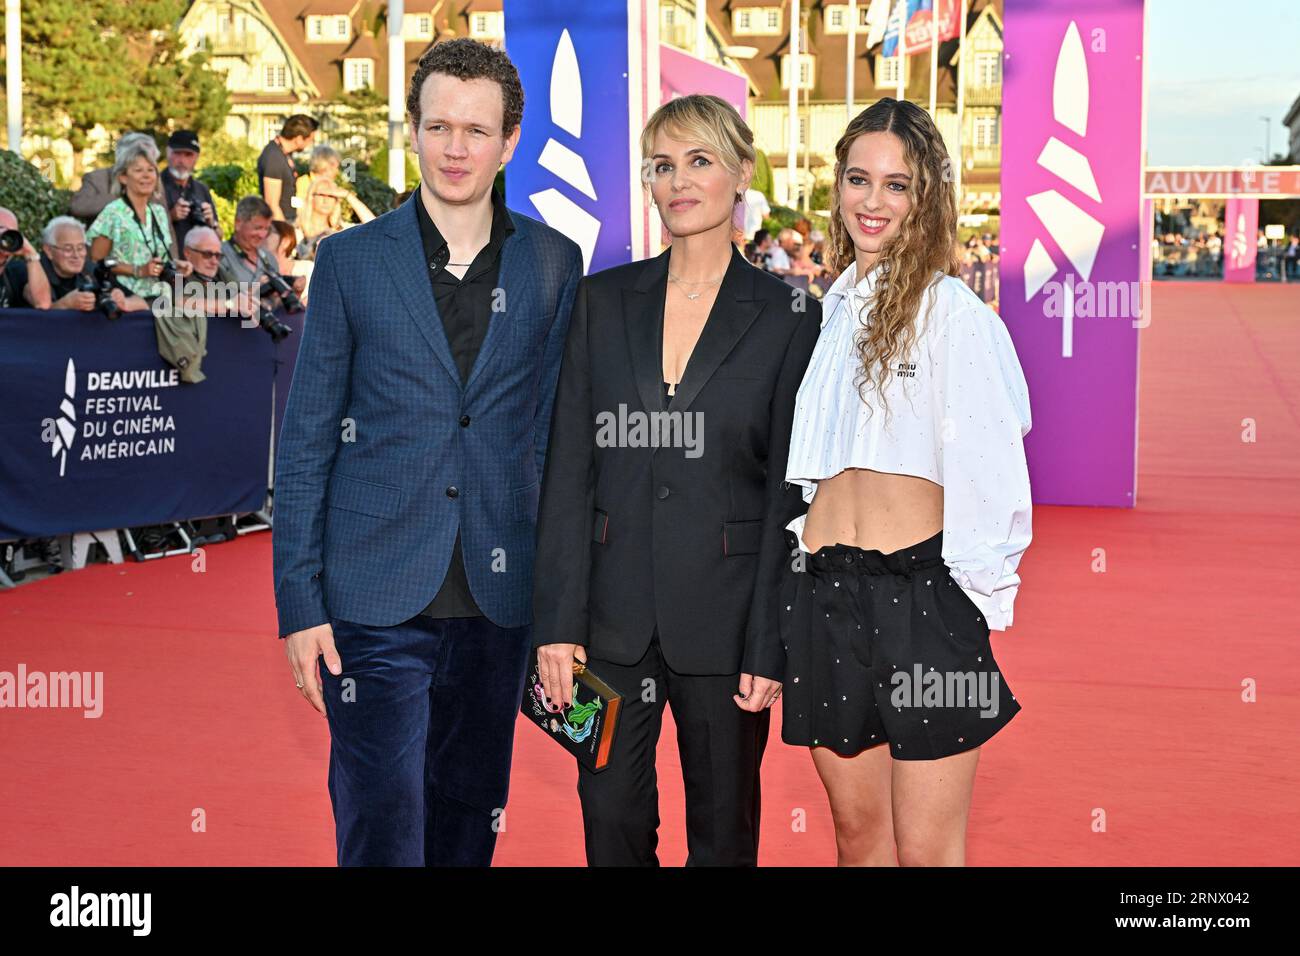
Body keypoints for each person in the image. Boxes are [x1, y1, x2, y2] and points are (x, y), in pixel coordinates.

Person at [273, 37, 583, 867]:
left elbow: (553, 444)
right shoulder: (349, 261)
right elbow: (306, 437)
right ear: (411, 131)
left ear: (509, 142)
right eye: (439, 126)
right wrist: (300, 605)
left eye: (476, 131)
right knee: (381, 821)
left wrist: (561, 607)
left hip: (498, 600)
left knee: (467, 814)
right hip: (372, 598)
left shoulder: (554, 263)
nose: (456, 148)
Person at [532, 93, 821, 866]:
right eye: (662, 165)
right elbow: (567, 467)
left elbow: (792, 492)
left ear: (740, 174)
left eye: (699, 161)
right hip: (607, 621)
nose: (679, 181)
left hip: (728, 625)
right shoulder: (599, 301)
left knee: (725, 836)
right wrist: (557, 623)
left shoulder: (791, 314)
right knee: (611, 826)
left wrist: (771, 641)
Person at [778, 98, 1031, 866]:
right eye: (859, 180)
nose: (873, 201)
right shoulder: (826, 316)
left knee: (926, 851)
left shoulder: (955, 316)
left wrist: (974, 603)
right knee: (857, 842)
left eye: (897, 184)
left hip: (924, 602)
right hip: (822, 596)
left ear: (927, 196)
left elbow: (993, 468)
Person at [86, 137, 193, 301]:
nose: (146, 176)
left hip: (161, 300)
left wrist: (177, 265)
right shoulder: (113, 213)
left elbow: (157, 258)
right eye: (138, 170)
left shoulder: (159, 213)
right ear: (123, 177)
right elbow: (97, 261)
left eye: (151, 170)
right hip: (126, 301)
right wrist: (138, 270)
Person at [30, 216, 147, 313]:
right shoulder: (35, 270)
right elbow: (38, 315)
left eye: (81, 248)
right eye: (68, 249)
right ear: (49, 251)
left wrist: (124, 303)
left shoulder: (90, 270)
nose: (76, 255)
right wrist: (65, 304)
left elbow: (142, 303)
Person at [219, 196, 306, 307]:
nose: (262, 235)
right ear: (238, 223)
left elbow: (277, 307)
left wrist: (295, 291)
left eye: (266, 229)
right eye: (258, 228)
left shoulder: (268, 258)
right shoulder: (218, 255)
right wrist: (256, 289)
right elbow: (217, 302)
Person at [160, 130, 218, 252]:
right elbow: (140, 232)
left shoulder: (201, 189)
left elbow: (218, 237)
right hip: (170, 266)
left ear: (197, 157)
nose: (182, 161)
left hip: (198, 266)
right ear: (168, 153)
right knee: (178, 272)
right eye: (177, 154)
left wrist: (211, 223)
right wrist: (170, 216)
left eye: (188, 155)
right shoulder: (154, 186)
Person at [258, 114, 318, 224]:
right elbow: (272, 203)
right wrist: (285, 234)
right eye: (310, 140)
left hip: (290, 218)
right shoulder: (274, 158)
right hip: (281, 222)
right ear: (299, 138)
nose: (310, 145)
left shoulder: (284, 154)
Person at [0, 207, 53, 309]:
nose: (6, 238)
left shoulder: (15, 272)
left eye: (11, 233)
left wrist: (30, 253)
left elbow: (43, 304)